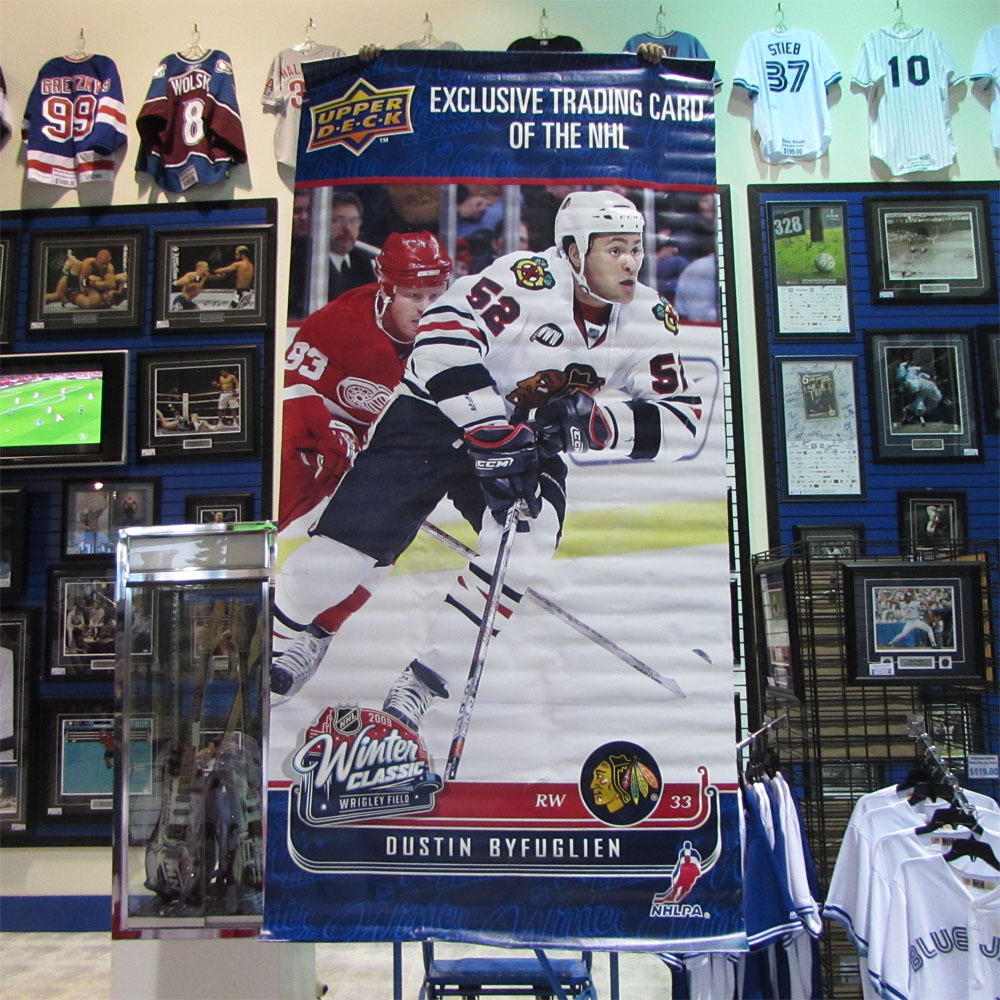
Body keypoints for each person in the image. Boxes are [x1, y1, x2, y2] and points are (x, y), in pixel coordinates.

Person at [271, 191, 706, 733]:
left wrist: (598, 424)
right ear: (572, 251)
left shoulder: (647, 317)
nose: (630, 262)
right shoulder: (522, 281)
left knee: (523, 550)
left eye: (636, 249)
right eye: (614, 248)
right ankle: (282, 637)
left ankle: (423, 682)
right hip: (434, 415)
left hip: (530, 436)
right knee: (343, 556)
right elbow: (439, 342)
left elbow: (683, 418)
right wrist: (486, 428)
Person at [278, 231, 453, 532]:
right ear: (386, 290)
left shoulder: (455, 335)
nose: (426, 307)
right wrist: (325, 428)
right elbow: (285, 391)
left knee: (379, 538)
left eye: (435, 295)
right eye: (413, 295)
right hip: (321, 434)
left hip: (386, 442)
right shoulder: (339, 322)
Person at [327, 191, 375, 300]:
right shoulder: (313, 261)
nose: (347, 228)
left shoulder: (361, 260)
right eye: (338, 221)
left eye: (353, 221)